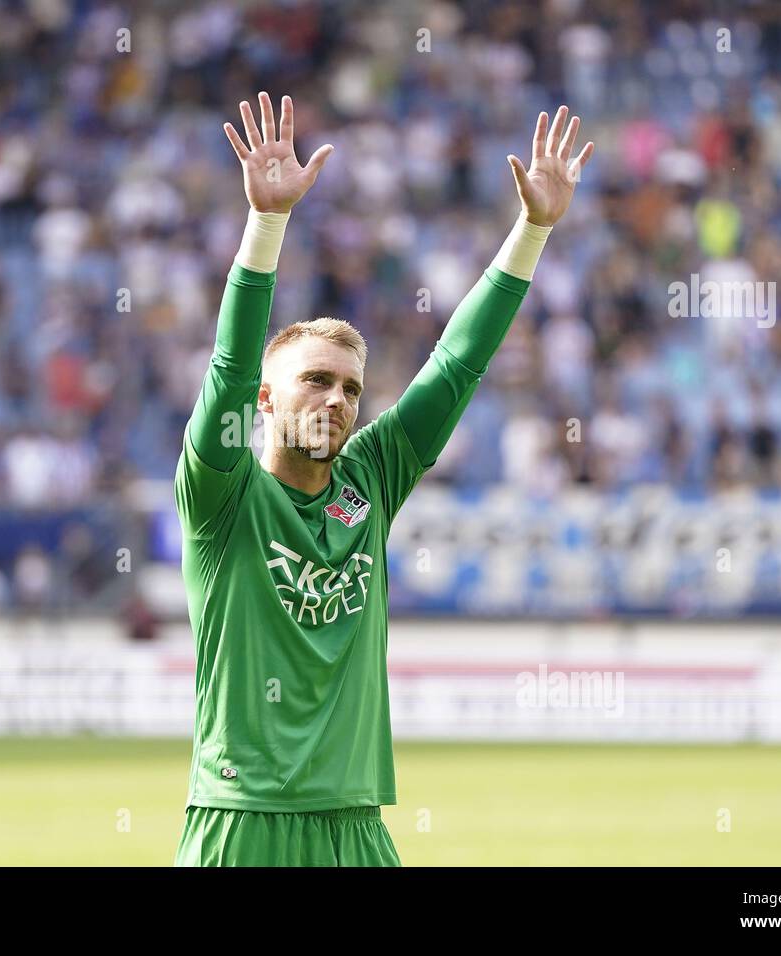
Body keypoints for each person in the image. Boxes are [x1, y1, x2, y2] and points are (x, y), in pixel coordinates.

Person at [173, 92, 593, 866]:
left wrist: (532, 231)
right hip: (243, 821)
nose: (337, 400)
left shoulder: (369, 478)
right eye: (316, 381)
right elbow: (230, 368)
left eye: (352, 389)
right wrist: (267, 225)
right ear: (266, 401)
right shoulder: (221, 495)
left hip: (357, 824)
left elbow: (455, 367)